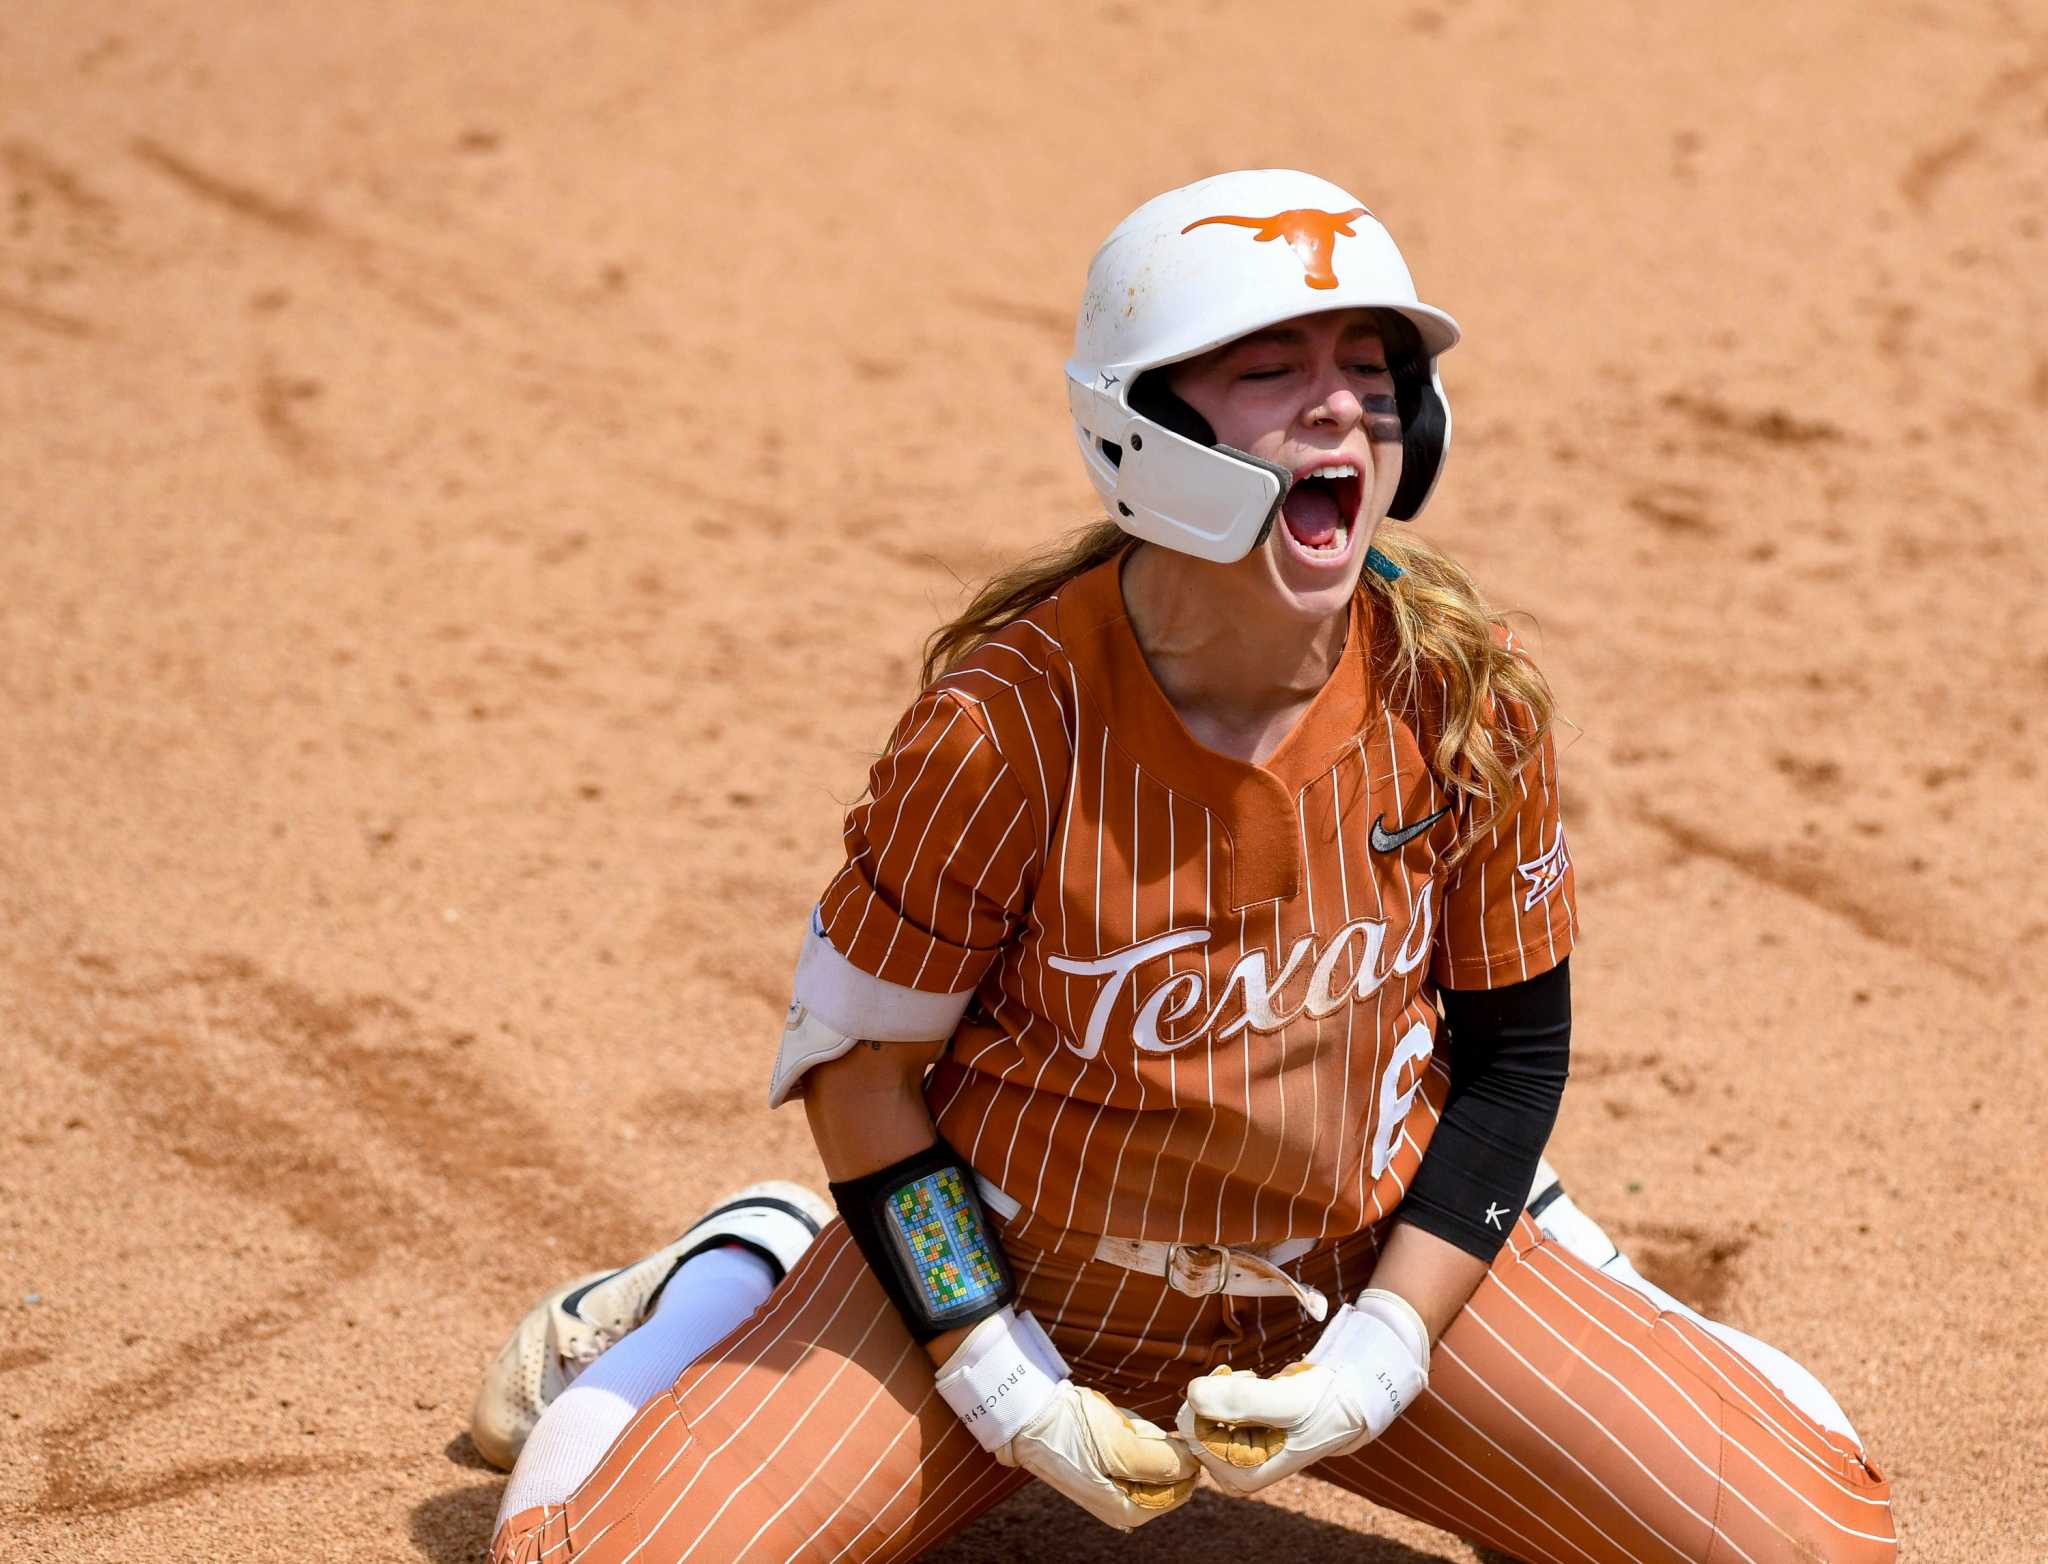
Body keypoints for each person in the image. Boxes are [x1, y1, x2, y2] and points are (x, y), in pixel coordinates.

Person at [472, 169, 1896, 1563]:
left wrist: (1388, 1355)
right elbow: (862, 1077)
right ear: (1142, 430)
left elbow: (1516, 1056)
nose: (1342, 400)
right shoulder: (1003, 728)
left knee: (1817, 1545)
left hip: (1353, 1271)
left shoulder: (1465, 694)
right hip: (1008, 1282)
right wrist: (998, 1385)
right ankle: (742, 1270)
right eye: (1272, 368)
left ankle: (1535, 1239)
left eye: (1370, 364)